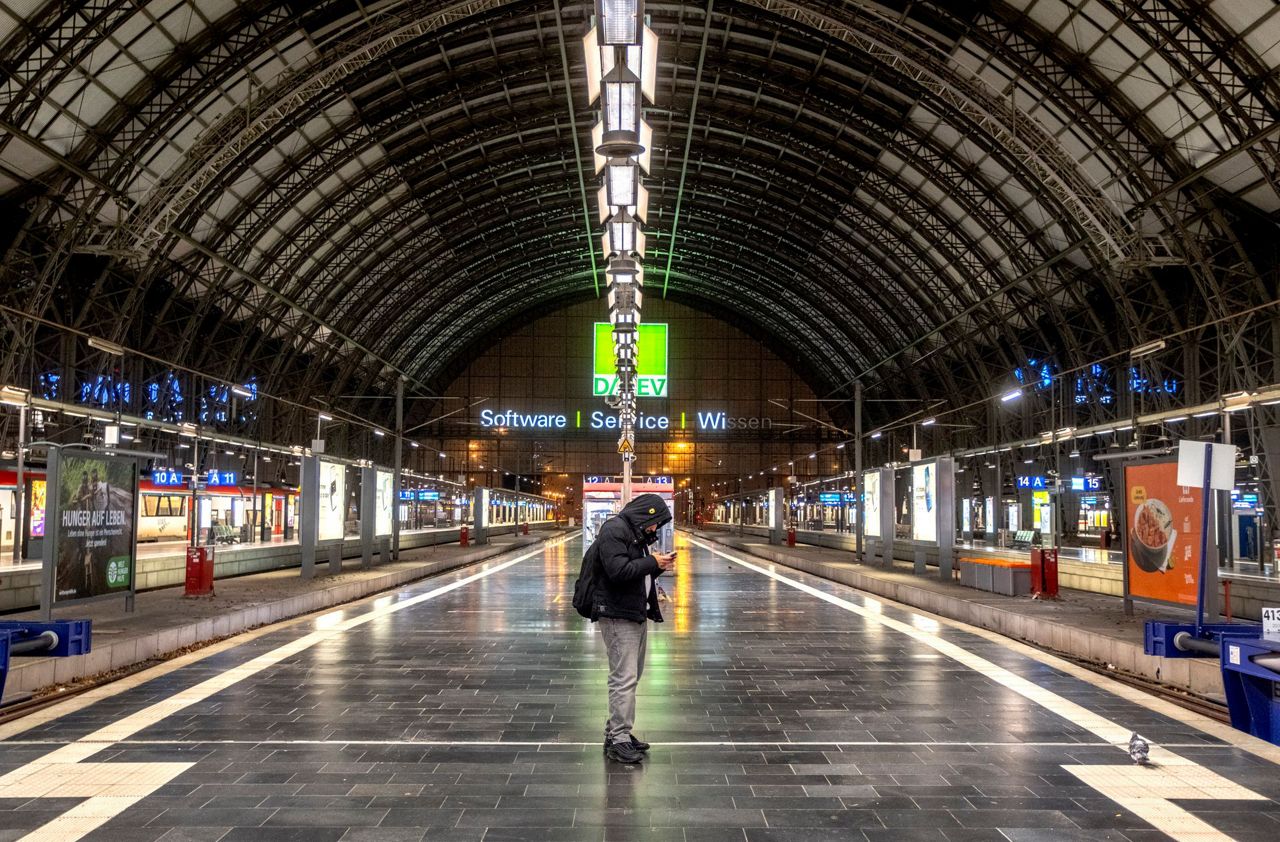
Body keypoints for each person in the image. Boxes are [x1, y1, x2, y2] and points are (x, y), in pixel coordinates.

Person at [587, 492, 675, 764]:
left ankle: (617, 731)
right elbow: (618, 572)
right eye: (654, 523)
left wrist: (657, 567)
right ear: (645, 514)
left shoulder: (633, 534)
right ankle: (619, 739)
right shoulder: (614, 530)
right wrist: (652, 562)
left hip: (633, 611)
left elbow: (634, 572)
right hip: (617, 614)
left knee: (631, 676)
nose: (654, 529)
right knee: (623, 678)